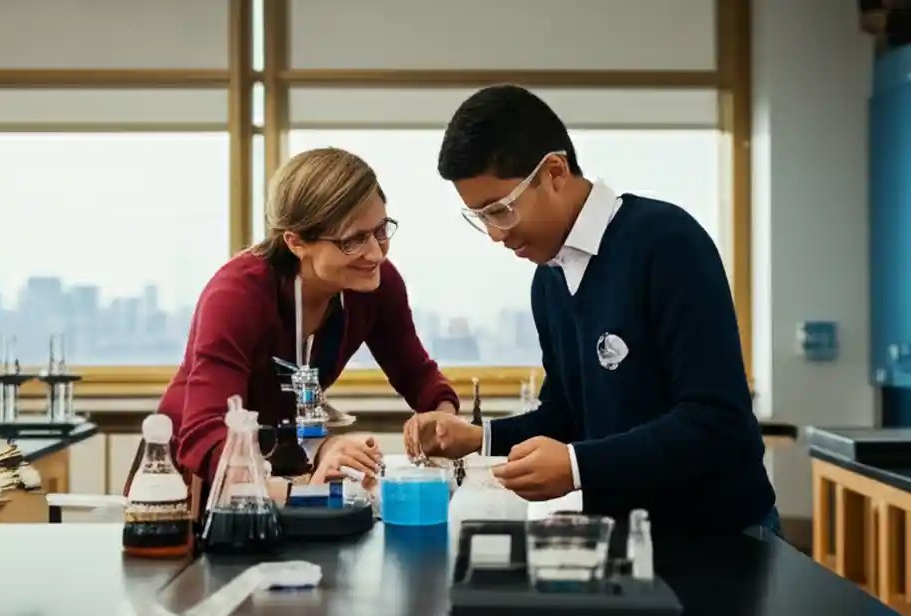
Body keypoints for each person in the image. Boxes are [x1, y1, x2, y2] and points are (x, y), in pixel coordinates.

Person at [404, 85, 778, 535]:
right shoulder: (550, 279)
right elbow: (567, 414)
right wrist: (478, 439)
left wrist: (577, 465)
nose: (496, 236)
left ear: (555, 171)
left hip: (722, 539)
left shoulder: (665, 243)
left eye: (500, 210)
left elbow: (716, 422)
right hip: (625, 537)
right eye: (480, 217)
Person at [152, 147, 459, 489]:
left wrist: (443, 422)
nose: (375, 252)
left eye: (381, 230)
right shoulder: (236, 296)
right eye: (353, 240)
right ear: (296, 241)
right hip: (191, 484)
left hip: (275, 476)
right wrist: (295, 495)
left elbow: (416, 373)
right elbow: (206, 434)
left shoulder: (376, 283)